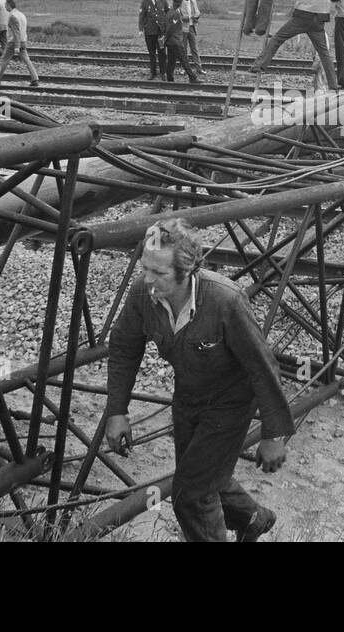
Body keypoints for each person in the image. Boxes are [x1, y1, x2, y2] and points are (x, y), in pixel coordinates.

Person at [106, 219, 292, 542]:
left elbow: (262, 367)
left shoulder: (225, 301)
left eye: (159, 273)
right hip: (188, 398)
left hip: (231, 403)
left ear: (187, 270)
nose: (148, 280)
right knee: (205, 478)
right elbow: (124, 347)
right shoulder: (142, 294)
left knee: (190, 494)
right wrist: (117, 411)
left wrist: (274, 433)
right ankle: (253, 519)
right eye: (144, 268)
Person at [248, 0, 341, 91]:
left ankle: (259, 65)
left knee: (278, 38)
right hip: (319, 21)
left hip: (302, 18)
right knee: (324, 53)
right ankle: (333, 84)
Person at [0, 0, 40, 87]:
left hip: (14, 42)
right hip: (23, 40)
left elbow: (16, 32)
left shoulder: (12, 16)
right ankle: (35, 79)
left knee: (4, 59)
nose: (5, 7)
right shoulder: (21, 14)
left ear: (9, 5)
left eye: (5, 6)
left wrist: (16, 46)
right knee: (27, 61)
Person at [163, 0, 201, 83]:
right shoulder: (175, 13)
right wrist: (166, 38)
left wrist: (166, 40)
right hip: (176, 41)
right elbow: (170, 28)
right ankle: (193, 78)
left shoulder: (170, 12)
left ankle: (170, 79)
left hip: (170, 42)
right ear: (180, 3)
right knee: (184, 60)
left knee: (171, 62)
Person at [138, 0, 168, 80]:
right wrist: (140, 29)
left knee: (162, 53)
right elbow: (142, 16)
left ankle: (163, 72)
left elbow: (168, 13)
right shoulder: (145, 2)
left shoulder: (163, 1)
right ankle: (153, 72)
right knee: (152, 53)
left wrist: (167, 28)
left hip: (160, 32)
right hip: (150, 31)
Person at [179, 0, 203, 77]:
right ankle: (184, 69)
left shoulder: (193, 1)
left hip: (192, 27)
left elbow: (197, 12)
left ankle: (199, 69)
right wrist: (190, 17)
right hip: (183, 28)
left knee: (195, 49)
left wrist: (197, 15)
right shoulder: (180, 3)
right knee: (183, 49)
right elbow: (180, 17)